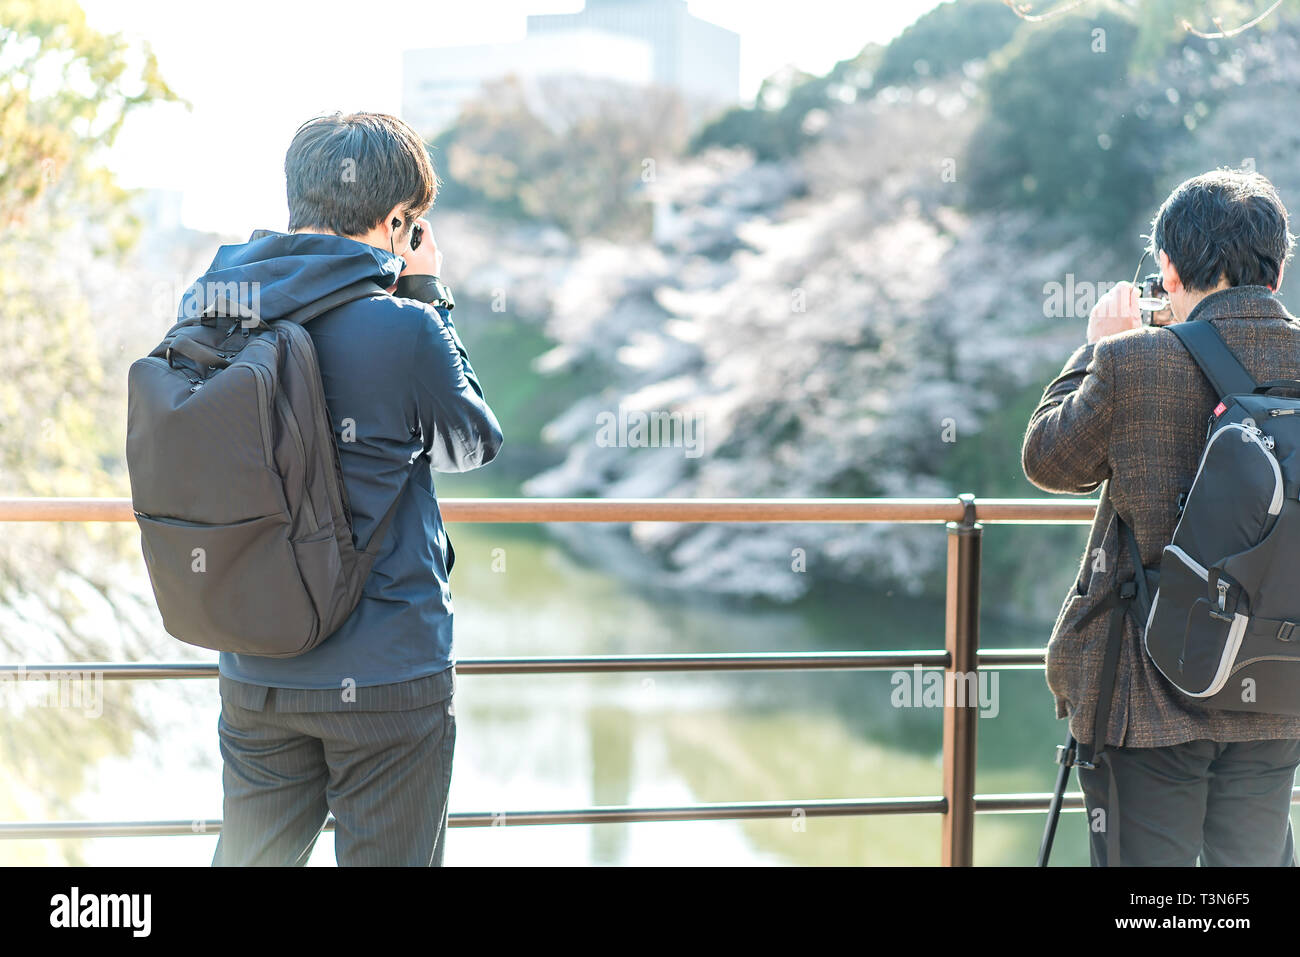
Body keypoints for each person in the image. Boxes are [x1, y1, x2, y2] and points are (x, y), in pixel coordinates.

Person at [205, 112, 503, 866]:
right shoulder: (403, 327)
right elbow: (472, 443)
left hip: (256, 662)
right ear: (398, 220)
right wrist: (430, 292)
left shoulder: (215, 309)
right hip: (386, 672)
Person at [1022, 168, 1300, 866]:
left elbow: (1049, 461)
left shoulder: (1131, 361)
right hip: (1280, 677)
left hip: (1148, 689)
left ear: (1169, 271)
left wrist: (1096, 348)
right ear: (1279, 267)